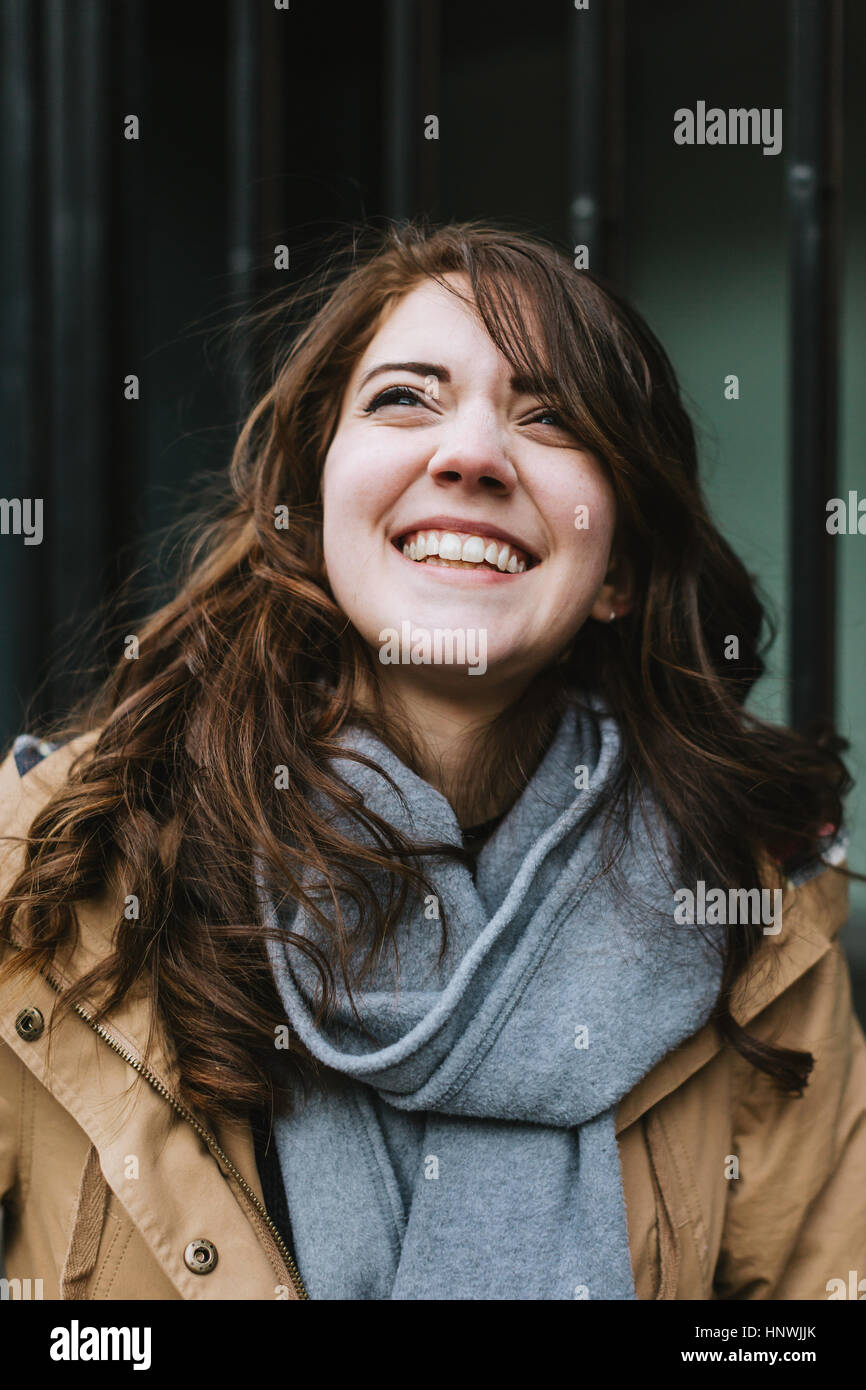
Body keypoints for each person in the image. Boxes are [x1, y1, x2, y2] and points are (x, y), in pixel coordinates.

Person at [1, 221, 864, 1301]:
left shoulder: (750, 930)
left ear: (619, 575)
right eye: (404, 397)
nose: (469, 454)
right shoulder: (52, 871)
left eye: (550, 417)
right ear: (313, 510)